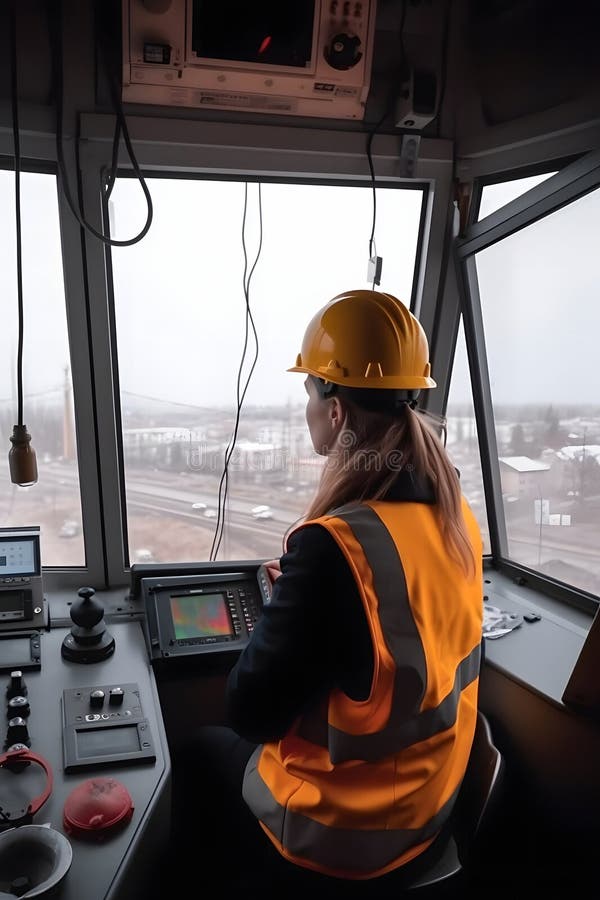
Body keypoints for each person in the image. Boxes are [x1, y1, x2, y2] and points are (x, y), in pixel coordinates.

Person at [173, 289, 483, 893]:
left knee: (195, 754)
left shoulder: (333, 547)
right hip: (431, 809)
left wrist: (281, 613)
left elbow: (251, 712)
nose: (307, 413)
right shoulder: (454, 517)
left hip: (343, 841)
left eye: (309, 395)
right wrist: (311, 608)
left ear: (334, 409)